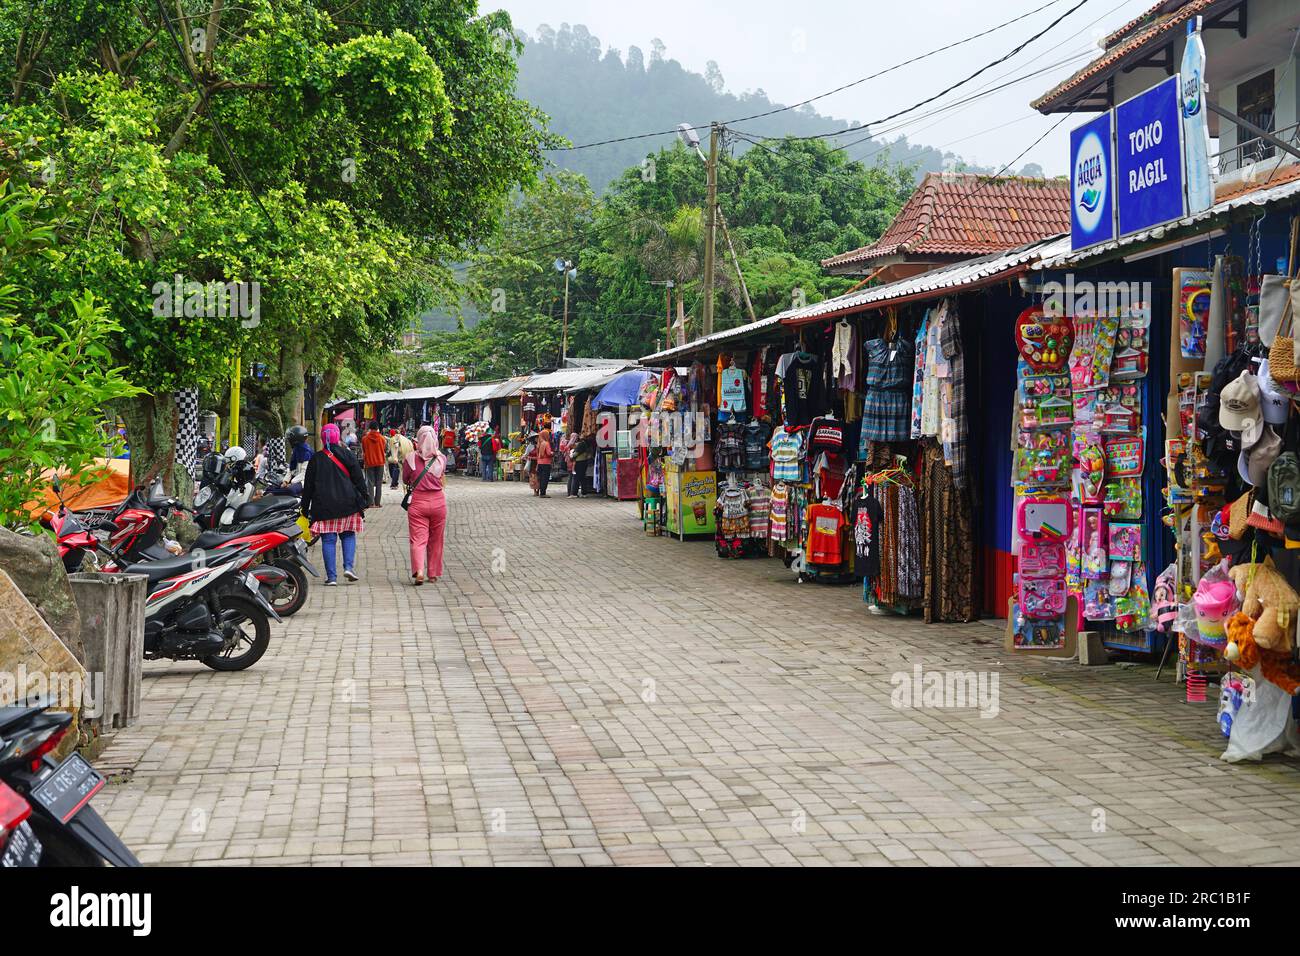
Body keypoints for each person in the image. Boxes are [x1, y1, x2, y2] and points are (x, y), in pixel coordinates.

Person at [301, 422, 368, 586]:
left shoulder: (316, 459)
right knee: (348, 535)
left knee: (328, 540)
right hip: (348, 505)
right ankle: (349, 568)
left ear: (323, 438)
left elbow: (308, 486)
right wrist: (366, 498)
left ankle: (331, 577)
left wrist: (304, 507)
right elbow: (359, 478)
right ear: (337, 436)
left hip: (324, 507)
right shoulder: (347, 454)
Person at [403, 425, 447, 585]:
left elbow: (405, 479)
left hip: (417, 503)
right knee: (436, 539)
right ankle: (433, 574)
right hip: (438, 503)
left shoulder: (409, 458)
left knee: (418, 539)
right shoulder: (442, 458)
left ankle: (419, 571)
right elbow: (440, 475)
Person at [360, 421, 387, 507]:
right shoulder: (382, 438)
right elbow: (384, 449)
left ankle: (370, 503)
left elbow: (364, 451)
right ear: (377, 428)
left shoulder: (364, 439)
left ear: (370, 428)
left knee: (370, 482)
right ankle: (377, 503)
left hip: (369, 462)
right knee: (379, 483)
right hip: (380, 462)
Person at [535, 428, 554, 498]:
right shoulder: (546, 443)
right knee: (545, 478)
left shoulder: (539, 444)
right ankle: (543, 493)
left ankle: (540, 492)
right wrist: (552, 453)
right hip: (546, 463)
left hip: (540, 463)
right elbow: (549, 453)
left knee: (541, 478)